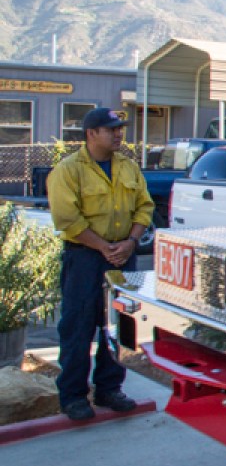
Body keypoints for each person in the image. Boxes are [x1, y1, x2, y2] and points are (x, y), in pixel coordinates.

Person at [47, 107, 154, 421]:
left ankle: (109, 388)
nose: (119, 134)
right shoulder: (68, 170)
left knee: (118, 326)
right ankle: (74, 396)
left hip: (123, 255)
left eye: (120, 128)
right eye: (111, 129)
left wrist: (131, 242)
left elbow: (144, 208)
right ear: (91, 133)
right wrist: (105, 248)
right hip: (85, 257)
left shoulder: (128, 167)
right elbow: (68, 218)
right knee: (78, 327)